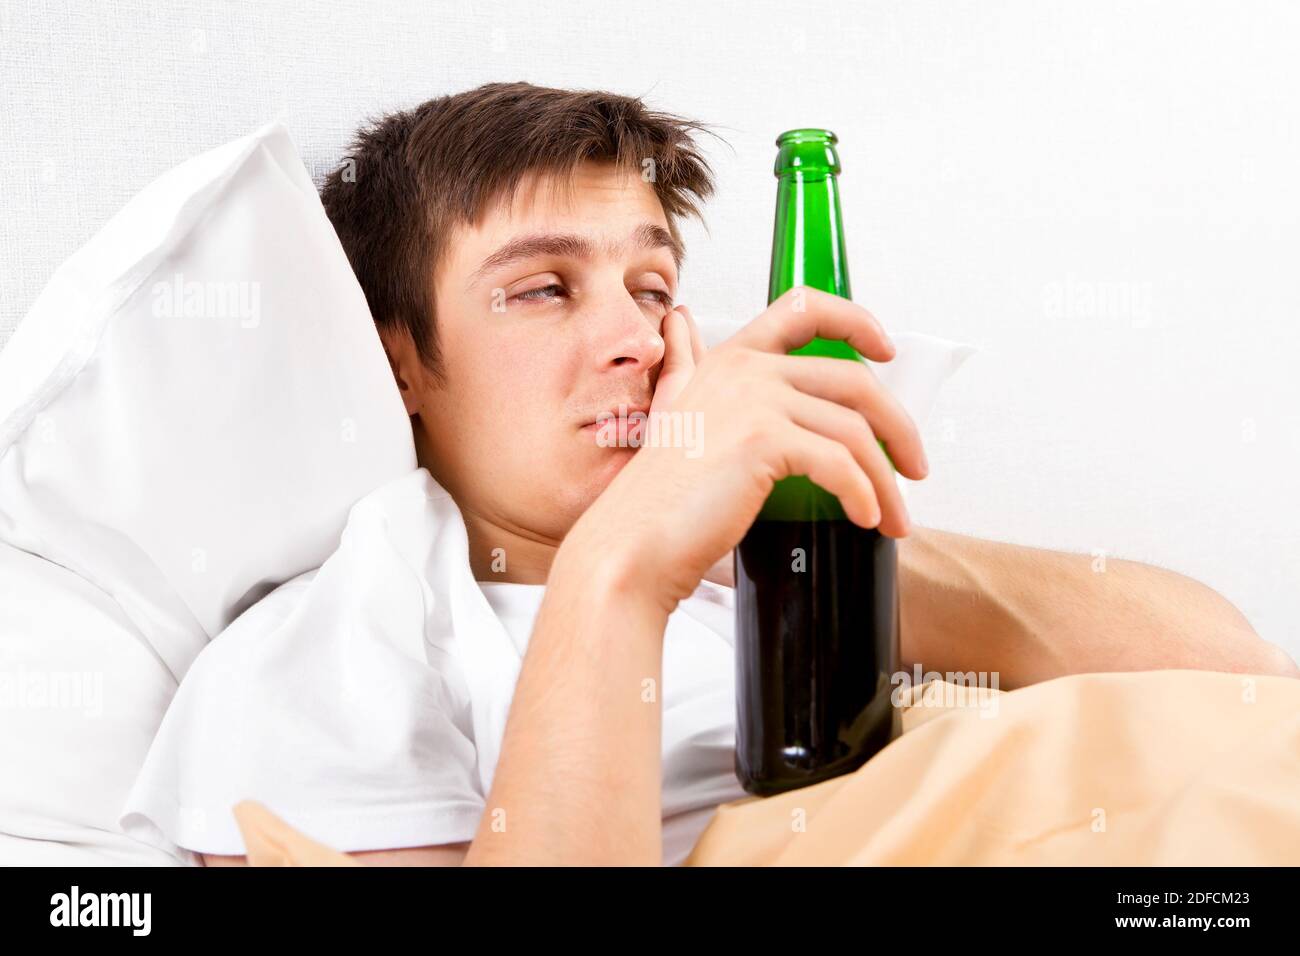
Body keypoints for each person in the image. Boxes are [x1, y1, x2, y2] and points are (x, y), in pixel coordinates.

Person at [121, 82, 1298, 868]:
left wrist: (805, 505)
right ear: (404, 361)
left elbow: (1234, 679)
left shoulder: (750, 573)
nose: (634, 335)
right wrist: (623, 560)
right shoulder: (344, 630)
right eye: (542, 287)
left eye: (650, 288)